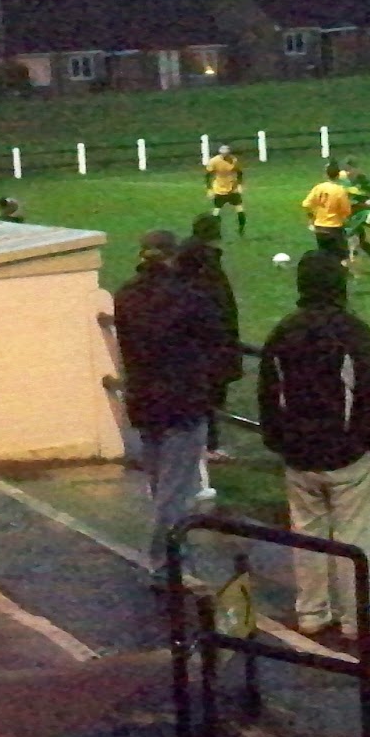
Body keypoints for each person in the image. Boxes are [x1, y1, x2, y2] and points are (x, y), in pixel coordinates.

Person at [258, 250, 370, 640]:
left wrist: (279, 442)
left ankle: (313, 612)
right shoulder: (354, 332)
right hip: (348, 455)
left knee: (307, 535)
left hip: (299, 453)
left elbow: (269, 394)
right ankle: (356, 619)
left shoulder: (283, 332)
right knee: (354, 539)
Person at [112, 231, 230, 586]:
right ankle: (165, 565)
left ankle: (175, 561)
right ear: (171, 257)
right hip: (181, 403)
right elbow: (215, 338)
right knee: (175, 491)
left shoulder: (127, 295)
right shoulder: (187, 296)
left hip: (144, 402)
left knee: (162, 484)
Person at [178, 213, 243, 464]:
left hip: (200, 344)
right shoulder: (206, 265)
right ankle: (207, 445)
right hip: (211, 344)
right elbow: (219, 306)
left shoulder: (186, 259)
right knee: (211, 392)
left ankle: (204, 443)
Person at [301, 161, 352, 262]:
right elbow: (346, 211)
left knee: (324, 255)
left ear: (325, 174)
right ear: (338, 175)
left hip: (319, 227)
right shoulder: (339, 190)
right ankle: (343, 276)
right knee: (342, 256)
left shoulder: (319, 188)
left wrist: (312, 218)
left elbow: (306, 204)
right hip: (334, 227)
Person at [205, 144, 247, 237]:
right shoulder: (214, 161)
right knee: (217, 210)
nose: (225, 156)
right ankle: (214, 231)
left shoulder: (233, 160)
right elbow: (208, 175)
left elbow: (239, 173)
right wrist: (209, 189)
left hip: (232, 188)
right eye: (223, 154)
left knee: (240, 209)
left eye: (227, 154)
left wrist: (239, 185)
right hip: (219, 189)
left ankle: (241, 230)